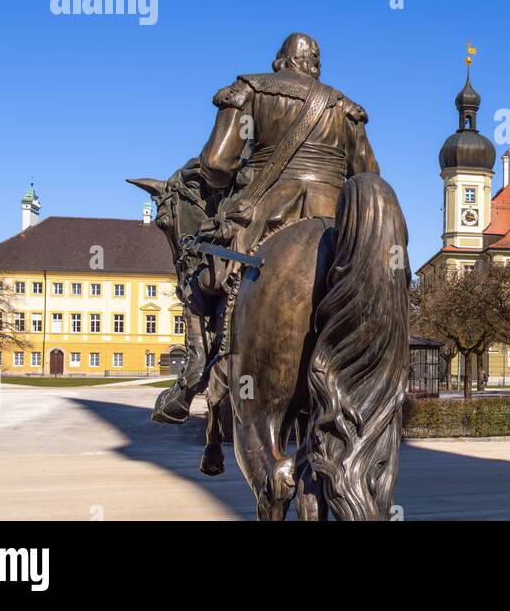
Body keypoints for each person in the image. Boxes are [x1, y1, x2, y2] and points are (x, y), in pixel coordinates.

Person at [150, 32, 379, 424]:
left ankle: (192, 377)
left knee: (202, 277)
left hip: (266, 218)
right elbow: (369, 179)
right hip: (335, 227)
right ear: (316, 66)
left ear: (280, 61)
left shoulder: (250, 90)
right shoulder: (346, 110)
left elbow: (217, 165)